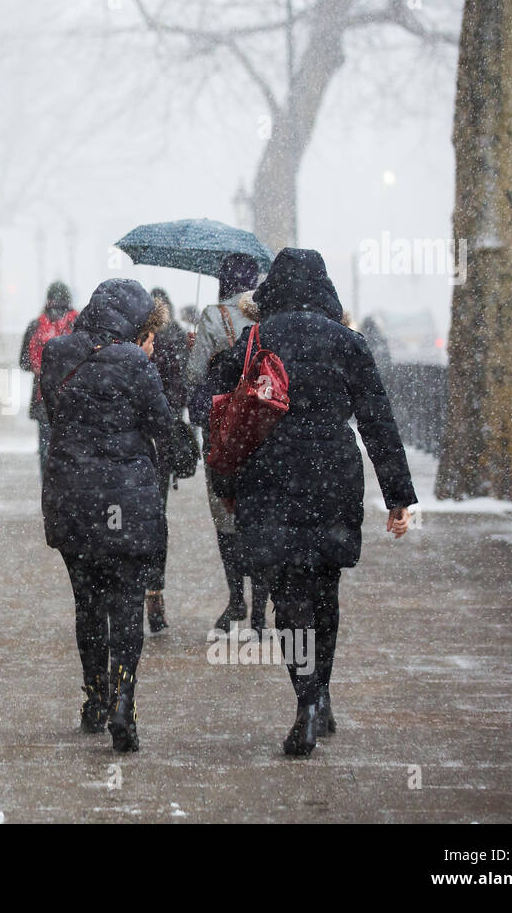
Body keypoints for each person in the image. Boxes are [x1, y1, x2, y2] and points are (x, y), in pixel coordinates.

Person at [209, 248, 417, 757]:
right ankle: (321, 691)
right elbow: (378, 423)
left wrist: (225, 483)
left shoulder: (257, 339)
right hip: (332, 478)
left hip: (272, 475)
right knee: (326, 589)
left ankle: (304, 698)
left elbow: (218, 399)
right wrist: (399, 497)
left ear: (273, 288)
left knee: (289, 599)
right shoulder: (348, 343)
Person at [41, 279, 170, 753]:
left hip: (71, 498)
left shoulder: (56, 354)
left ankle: (94, 699)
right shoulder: (137, 361)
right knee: (126, 604)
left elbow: (56, 414)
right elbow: (162, 427)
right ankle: (124, 702)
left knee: (88, 605)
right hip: (126, 502)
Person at [185, 253, 268, 636]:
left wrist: (197, 349)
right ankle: (261, 610)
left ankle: (236, 598)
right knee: (262, 510)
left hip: (223, 426)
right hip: (263, 423)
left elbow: (194, 375)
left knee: (225, 510)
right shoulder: (269, 313)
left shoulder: (213, 316)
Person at [142, 287, 191, 633]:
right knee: (157, 516)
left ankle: (138, 591)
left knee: (137, 517)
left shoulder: (133, 340)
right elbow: (181, 392)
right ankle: (154, 592)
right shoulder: (173, 339)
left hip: (136, 444)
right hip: (161, 444)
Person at [20, 282, 78, 474]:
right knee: (72, 447)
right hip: (74, 396)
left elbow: (23, 362)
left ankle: (48, 487)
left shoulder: (36, 325)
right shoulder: (78, 323)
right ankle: (70, 484)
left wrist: (43, 368)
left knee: (47, 448)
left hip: (43, 397)